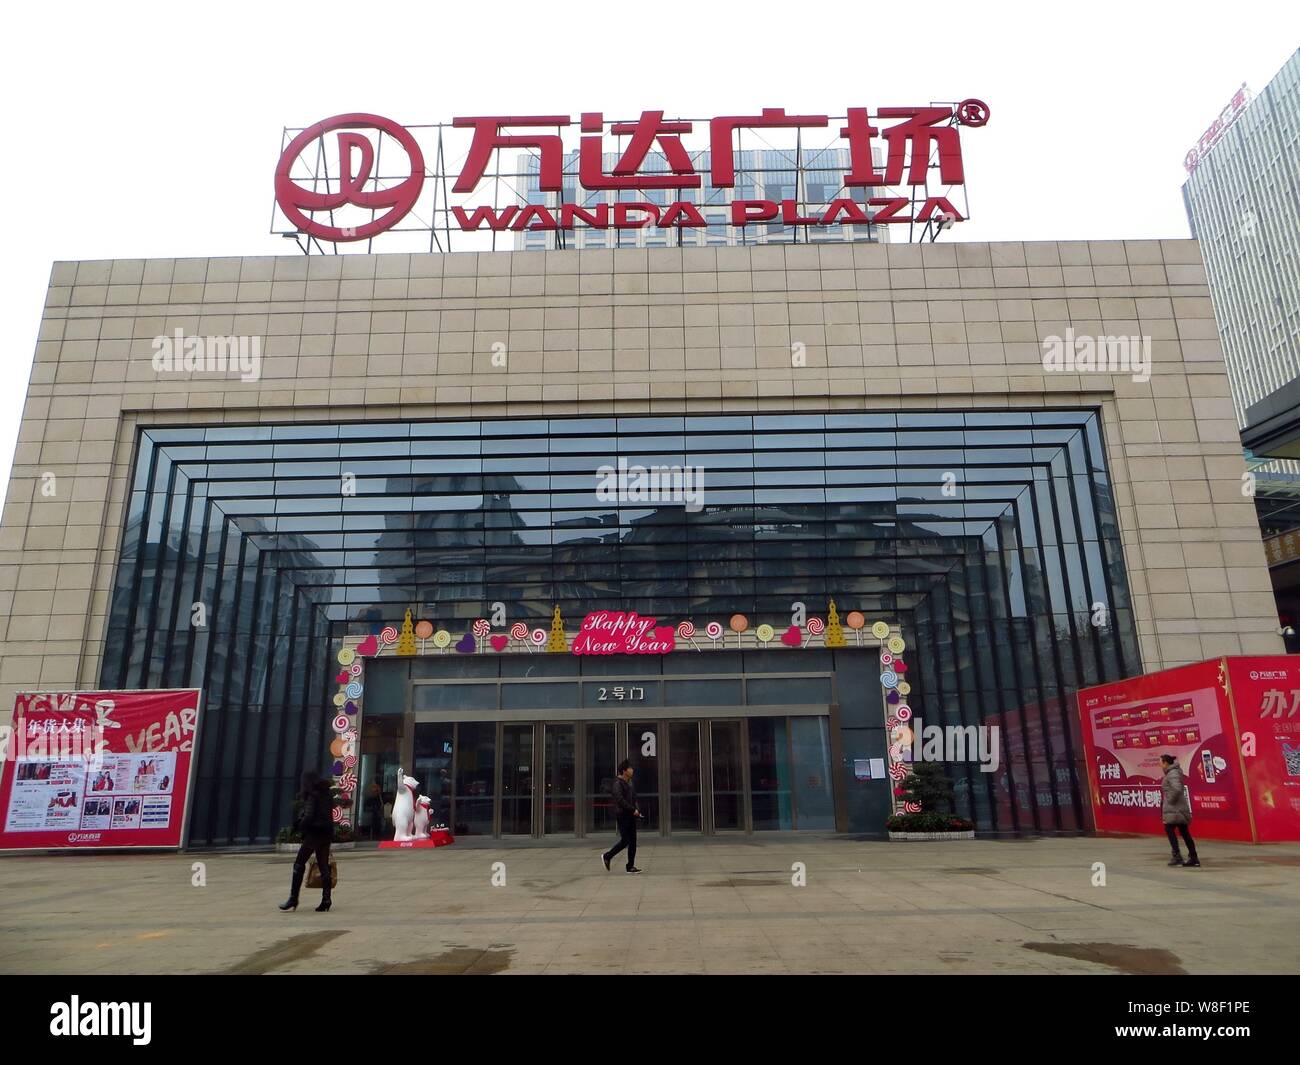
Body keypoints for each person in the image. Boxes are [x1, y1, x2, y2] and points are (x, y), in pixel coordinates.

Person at [280, 771, 336, 911]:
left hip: (314, 833)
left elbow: (309, 815)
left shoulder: (313, 795)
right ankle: (326, 899)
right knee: (323, 866)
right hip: (327, 833)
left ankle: (293, 898)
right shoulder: (327, 794)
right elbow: (330, 812)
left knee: (299, 864)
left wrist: (300, 826)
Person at [600, 759, 642, 874]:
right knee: (625, 840)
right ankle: (607, 856)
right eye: (630, 768)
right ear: (624, 771)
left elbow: (634, 798)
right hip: (623, 815)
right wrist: (632, 809)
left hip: (631, 815)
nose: (632, 770)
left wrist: (637, 809)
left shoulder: (630, 782)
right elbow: (620, 800)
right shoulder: (617, 783)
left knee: (633, 841)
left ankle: (630, 866)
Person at [1160, 754, 1199, 867]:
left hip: (1175, 809)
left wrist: (1170, 800)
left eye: (1161, 762)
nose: (1160, 765)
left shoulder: (1172, 774)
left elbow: (1177, 789)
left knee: (1170, 829)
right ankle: (1193, 857)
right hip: (1176, 809)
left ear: (1165, 763)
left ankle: (1178, 856)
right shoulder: (1172, 773)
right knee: (1183, 832)